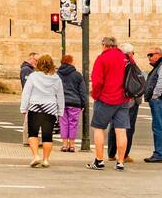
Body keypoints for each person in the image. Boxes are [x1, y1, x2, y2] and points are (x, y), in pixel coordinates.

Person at [87, 36, 130, 171]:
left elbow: (97, 81)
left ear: (104, 45)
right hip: (123, 99)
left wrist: (95, 95)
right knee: (121, 130)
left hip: (105, 98)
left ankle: (99, 160)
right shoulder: (126, 58)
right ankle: (120, 161)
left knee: (99, 128)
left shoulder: (102, 58)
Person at [20, 53, 66, 167]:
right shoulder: (56, 78)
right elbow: (60, 96)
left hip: (35, 107)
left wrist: (23, 108)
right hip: (50, 109)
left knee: (33, 134)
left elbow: (26, 93)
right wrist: (60, 111)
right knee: (47, 135)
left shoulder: (33, 76)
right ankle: (46, 160)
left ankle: (36, 156)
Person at [106, 43, 142, 164]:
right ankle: (124, 155)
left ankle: (111, 153)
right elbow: (138, 80)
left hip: (114, 98)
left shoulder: (114, 63)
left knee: (113, 126)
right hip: (129, 99)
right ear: (130, 53)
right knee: (127, 128)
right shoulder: (131, 64)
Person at [143, 46, 162, 163]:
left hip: (160, 100)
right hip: (160, 100)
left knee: (158, 127)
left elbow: (161, 83)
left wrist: (155, 96)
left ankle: (159, 154)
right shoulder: (160, 66)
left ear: (158, 54)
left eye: (150, 55)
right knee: (160, 126)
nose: (149, 58)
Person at [57, 54, 86, 153]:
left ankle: (64, 145)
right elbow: (82, 91)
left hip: (61, 102)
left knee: (63, 123)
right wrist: (83, 103)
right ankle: (72, 145)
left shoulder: (57, 74)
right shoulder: (77, 75)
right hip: (74, 102)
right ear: (70, 62)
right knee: (73, 123)